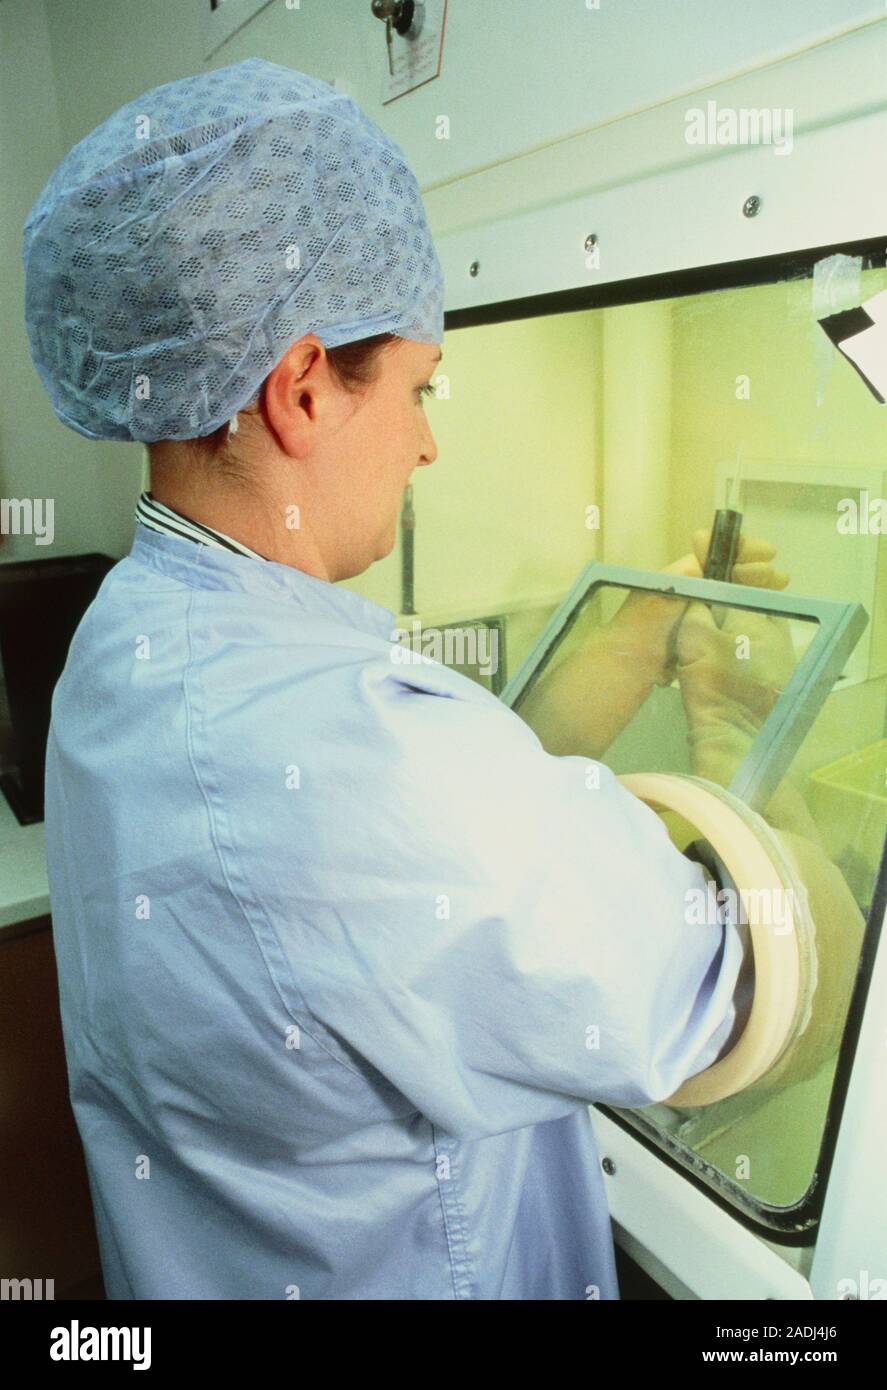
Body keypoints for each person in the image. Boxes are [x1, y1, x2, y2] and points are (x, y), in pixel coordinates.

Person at [23, 59, 784, 1300]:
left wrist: (642, 634)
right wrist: (754, 730)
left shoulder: (131, 634)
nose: (428, 437)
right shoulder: (337, 749)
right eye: (420, 386)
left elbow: (449, 843)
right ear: (304, 387)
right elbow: (717, 990)